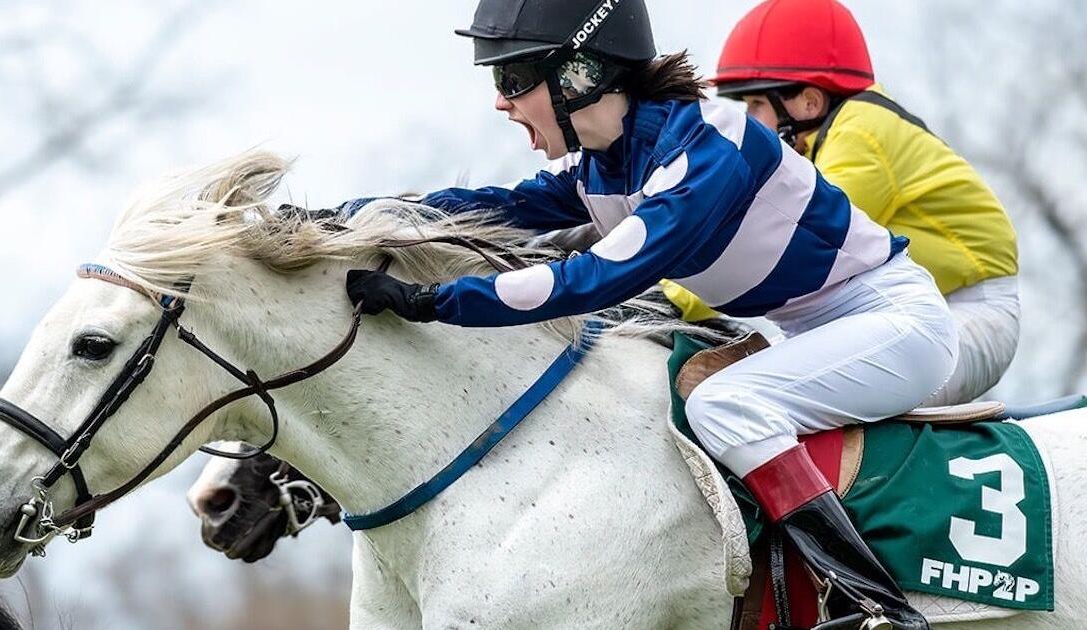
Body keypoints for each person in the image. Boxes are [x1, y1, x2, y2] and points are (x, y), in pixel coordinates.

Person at [345, 1, 952, 627]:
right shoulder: (607, 166)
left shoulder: (708, 151)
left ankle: (874, 606)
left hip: (894, 325)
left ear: (580, 73)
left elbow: (595, 278)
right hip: (823, 332)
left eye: (513, 78)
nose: (502, 102)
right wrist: (350, 216)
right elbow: (488, 208)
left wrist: (436, 303)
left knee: (723, 403)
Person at [661, 0, 1019, 406]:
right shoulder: (827, 140)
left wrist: (669, 296)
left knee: (780, 394)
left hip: (968, 316)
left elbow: (775, 244)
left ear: (809, 102)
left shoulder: (862, 133)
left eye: (757, 104)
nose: (752, 121)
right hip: (898, 309)